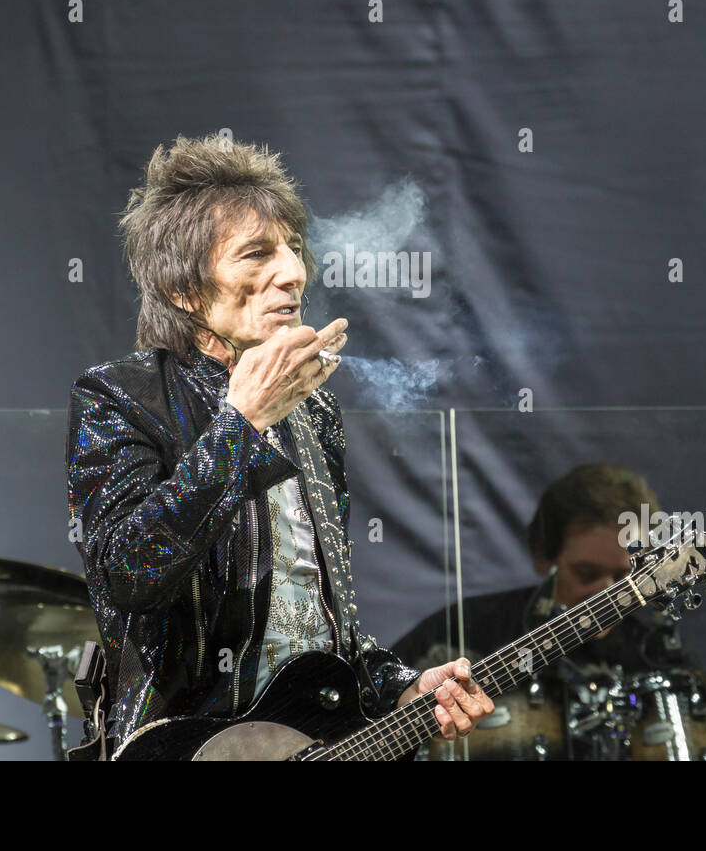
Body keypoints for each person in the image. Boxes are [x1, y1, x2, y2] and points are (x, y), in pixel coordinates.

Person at [65, 133, 492, 756]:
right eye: (256, 254)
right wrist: (240, 426)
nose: (293, 272)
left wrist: (402, 687)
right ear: (184, 289)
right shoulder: (119, 396)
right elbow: (128, 574)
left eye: (294, 248)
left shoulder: (313, 409)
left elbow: (319, 619)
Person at [394, 464, 706, 759]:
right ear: (542, 557)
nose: (607, 594)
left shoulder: (656, 653)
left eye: (623, 579)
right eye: (586, 574)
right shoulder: (464, 631)